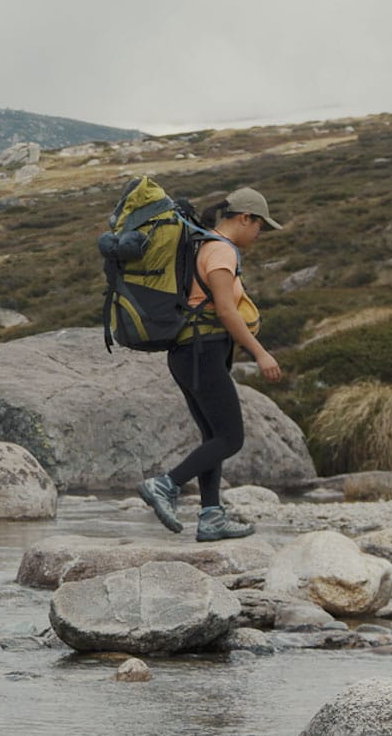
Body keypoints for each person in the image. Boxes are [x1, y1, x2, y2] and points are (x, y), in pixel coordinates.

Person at [137, 186, 285, 542]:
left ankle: (211, 516)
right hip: (201, 353)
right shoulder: (220, 251)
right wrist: (260, 352)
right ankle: (165, 484)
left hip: (191, 354)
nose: (259, 233)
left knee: (213, 437)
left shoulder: (204, 245)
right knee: (231, 438)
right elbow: (225, 310)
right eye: (259, 225)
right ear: (244, 218)